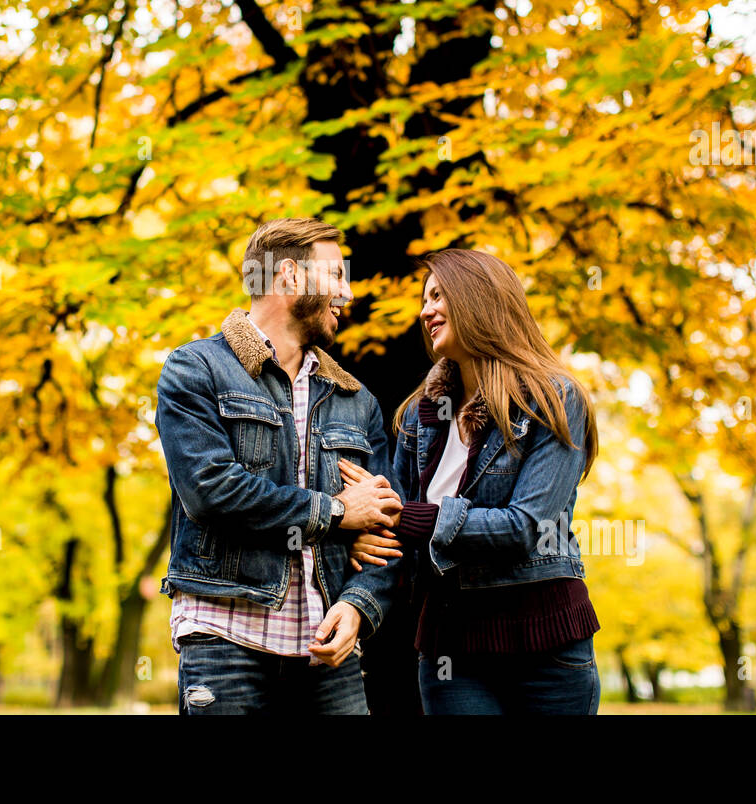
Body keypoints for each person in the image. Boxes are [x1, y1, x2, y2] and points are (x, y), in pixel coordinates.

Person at [155, 217, 406, 714]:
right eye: (336, 275)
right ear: (289, 276)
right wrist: (335, 512)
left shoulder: (357, 401)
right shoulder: (196, 370)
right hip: (225, 636)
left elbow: (387, 524)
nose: (348, 293)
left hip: (326, 649)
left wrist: (360, 605)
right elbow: (211, 491)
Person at [342, 248, 602, 714]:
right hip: (450, 648)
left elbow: (527, 527)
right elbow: (391, 531)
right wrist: (361, 549)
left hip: (546, 645)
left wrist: (409, 518)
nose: (425, 311)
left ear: (478, 298)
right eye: (425, 300)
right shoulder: (420, 415)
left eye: (438, 296)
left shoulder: (553, 399)